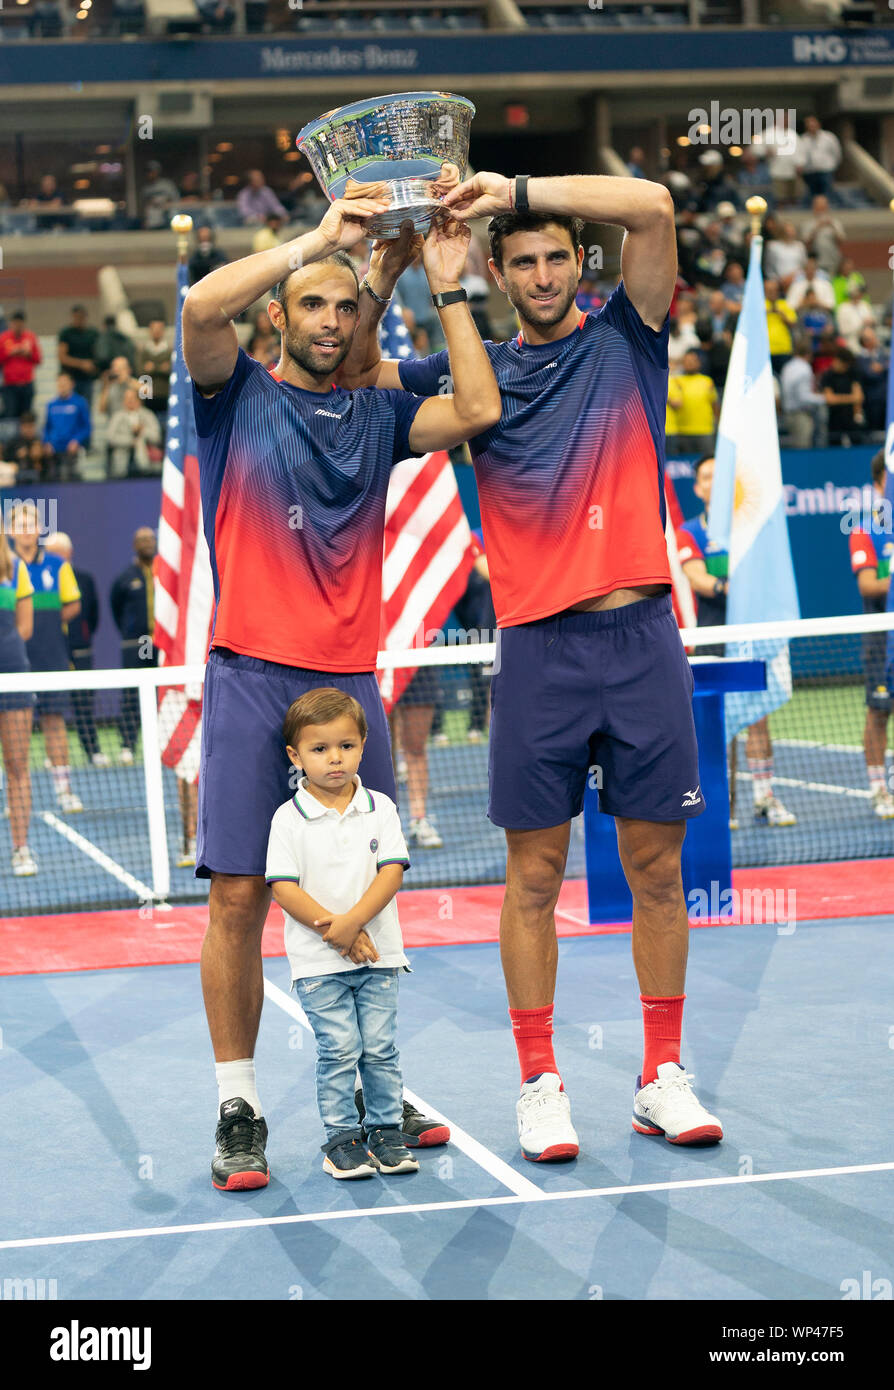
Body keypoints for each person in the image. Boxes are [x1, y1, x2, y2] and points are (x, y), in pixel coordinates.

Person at [345, 169, 726, 1160]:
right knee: (534, 873)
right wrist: (394, 269)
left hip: (641, 635)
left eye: (559, 254)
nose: (547, 271)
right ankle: (539, 1082)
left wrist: (510, 189)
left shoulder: (628, 339)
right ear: (500, 275)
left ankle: (662, 1075)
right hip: (539, 646)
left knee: (656, 866)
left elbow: (653, 205)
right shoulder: (466, 366)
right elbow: (347, 378)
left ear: (577, 264)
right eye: (526, 259)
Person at [180, 171, 500, 1189]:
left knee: (364, 892)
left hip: (349, 690)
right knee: (238, 896)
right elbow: (196, 306)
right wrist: (318, 240)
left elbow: (481, 407)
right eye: (309, 303)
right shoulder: (235, 395)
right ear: (280, 313)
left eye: (343, 305)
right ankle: (239, 1103)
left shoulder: (377, 417)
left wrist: (437, 284)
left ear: (363, 316)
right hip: (248, 680)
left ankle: (369, 1085)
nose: (327, 318)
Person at [265, 688, 420, 1181]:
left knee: (380, 1050)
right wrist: (339, 934)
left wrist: (352, 924)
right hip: (319, 965)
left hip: (381, 959)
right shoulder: (287, 820)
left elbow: (391, 872)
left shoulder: (383, 809)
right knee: (339, 1052)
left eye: (347, 746)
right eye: (319, 749)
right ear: (295, 755)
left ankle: (386, 1132)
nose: (335, 758)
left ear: (363, 744)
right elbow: (284, 889)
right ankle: (342, 1139)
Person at [676, 455, 797, 830]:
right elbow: (696, 577)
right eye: (706, 477)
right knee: (717, 722)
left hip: (750, 634)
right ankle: (722, 804)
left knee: (758, 716)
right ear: (697, 488)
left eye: (719, 475)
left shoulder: (751, 529)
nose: (713, 482)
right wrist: (733, 587)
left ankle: (764, 798)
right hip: (715, 636)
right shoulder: (691, 531)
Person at [9, 500, 83, 815]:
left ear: (40, 529)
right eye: (20, 525)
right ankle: (12, 793)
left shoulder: (58, 565)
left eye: (31, 525)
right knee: (11, 729)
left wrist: (46, 622)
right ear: (10, 531)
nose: (27, 531)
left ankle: (63, 790)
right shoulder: (5, 566)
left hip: (51, 657)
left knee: (54, 722)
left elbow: (73, 605)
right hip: (12, 660)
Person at [848, 451, 894, 819]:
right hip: (882, 638)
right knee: (879, 713)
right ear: (880, 483)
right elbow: (868, 586)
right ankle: (880, 789)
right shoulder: (864, 530)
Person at [45, 531, 104, 768]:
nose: (54, 557)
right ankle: (52, 756)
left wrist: (82, 638)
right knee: (50, 707)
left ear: (69, 553)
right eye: (50, 553)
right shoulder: (41, 579)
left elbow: (93, 614)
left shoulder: (85, 578)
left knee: (83, 703)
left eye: (58, 552)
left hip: (80, 651)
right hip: (51, 650)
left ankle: (93, 751)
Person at [0, 514, 37, 876]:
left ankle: (21, 848)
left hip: (12, 677)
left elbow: (24, 629)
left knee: (17, 767)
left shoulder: (16, 570)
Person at [110, 528, 158, 765]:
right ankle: (127, 745)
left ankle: (162, 745)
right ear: (134, 545)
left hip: (160, 644)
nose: (147, 543)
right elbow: (115, 607)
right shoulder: (125, 577)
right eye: (142, 540)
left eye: (150, 539)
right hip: (135, 644)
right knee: (131, 697)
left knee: (163, 695)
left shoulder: (165, 573)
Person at [666, 348, 718, 455]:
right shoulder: (676, 380)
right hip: (682, 431)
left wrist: (717, 424)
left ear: (699, 363)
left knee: (706, 460)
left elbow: (715, 405)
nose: (689, 364)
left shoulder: (707, 381)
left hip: (704, 430)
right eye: (686, 361)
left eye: (692, 361)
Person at [779, 339, 828, 448]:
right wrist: (824, 398)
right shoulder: (804, 368)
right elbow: (803, 397)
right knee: (803, 448)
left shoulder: (788, 366)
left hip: (789, 413)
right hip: (800, 415)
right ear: (809, 354)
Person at [43, 373, 91, 481]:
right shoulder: (51, 405)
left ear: (71, 384)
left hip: (72, 449)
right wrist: (47, 442)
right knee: (53, 480)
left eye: (65, 383)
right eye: (60, 384)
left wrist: (76, 440)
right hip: (55, 450)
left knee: (72, 479)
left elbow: (87, 427)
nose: (62, 386)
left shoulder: (79, 403)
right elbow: (47, 427)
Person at [107, 387, 162, 477]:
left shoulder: (148, 415)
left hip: (148, 460)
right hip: (122, 461)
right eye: (127, 399)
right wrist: (130, 441)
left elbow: (156, 436)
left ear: (138, 400)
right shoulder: (117, 416)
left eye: (132, 398)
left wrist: (143, 431)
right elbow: (111, 437)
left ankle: (144, 468)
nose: (130, 401)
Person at [0, 311, 42, 420]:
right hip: (10, 385)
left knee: (26, 415)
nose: (17, 327)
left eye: (20, 324)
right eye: (15, 324)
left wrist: (28, 354)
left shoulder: (30, 337)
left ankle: (25, 436)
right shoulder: (4, 338)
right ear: (11, 324)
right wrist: (10, 353)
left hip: (26, 383)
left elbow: (38, 359)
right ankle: (11, 437)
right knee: (11, 414)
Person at [820, 346, 865, 444]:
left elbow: (858, 397)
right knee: (834, 445)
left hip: (851, 418)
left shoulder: (853, 373)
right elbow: (830, 399)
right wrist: (851, 398)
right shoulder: (828, 376)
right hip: (834, 419)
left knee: (858, 443)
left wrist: (838, 398)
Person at [57, 305, 99, 407]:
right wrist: (81, 364)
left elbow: (97, 353)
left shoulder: (92, 333)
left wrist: (93, 366)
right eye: (76, 317)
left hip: (87, 378)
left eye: (81, 317)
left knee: (86, 407)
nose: (79, 320)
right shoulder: (66, 333)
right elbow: (62, 357)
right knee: (70, 407)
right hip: (70, 378)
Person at [796, 115, 842, 205]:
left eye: (813, 124)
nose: (811, 127)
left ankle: (827, 212)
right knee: (813, 195)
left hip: (825, 170)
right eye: (809, 125)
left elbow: (836, 152)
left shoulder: (829, 137)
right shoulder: (803, 139)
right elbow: (800, 154)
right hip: (810, 171)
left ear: (818, 124)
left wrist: (833, 165)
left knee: (827, 193)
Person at [855, 327, 889, 434]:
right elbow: (869, 374)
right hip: (872, 400)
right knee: (874, 430)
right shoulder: (860, 358)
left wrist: (882, 367)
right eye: (872, 338)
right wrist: (884, 367)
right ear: (865, 342)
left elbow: (890, 368)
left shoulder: (883, 354)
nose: (875, 340)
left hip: (886, 398)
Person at [801, 194, 844, 278]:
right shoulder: (807, 224)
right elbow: (806, 243)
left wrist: (832, 227)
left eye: (823, 207)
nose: (821, 210)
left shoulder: (835, 222)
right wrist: (816, 228)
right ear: (814, 208)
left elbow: (841, 241)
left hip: (833, 261)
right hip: (816, 263)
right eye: (819, 207)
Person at [3, 411, 52, 483]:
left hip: (38, 482)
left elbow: (47, 468)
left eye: (31, 427)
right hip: (16, 480)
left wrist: (41, 458)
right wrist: (16, 456)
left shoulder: (39, 442)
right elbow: (5, 460)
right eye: (26, 427)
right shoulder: (13, 443)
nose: (28, 430)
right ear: (21, 427)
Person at [764, 278, 797, 375]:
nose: (772, 293)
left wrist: (781, 314)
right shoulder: (760, 305)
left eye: (775, 290)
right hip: (765, 350)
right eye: (769, 291)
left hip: (784, 349)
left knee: (784, 377)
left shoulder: (784, 304)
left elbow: (793, 323)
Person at [836, 279, 876, 354]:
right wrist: (861, 325)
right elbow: (843, 330)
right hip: (851, 342)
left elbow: (872, 321)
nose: (860, 294)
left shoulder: (865, 305)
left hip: (867, 340)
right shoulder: (843, 308)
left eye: (861, 292)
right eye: (858, 292)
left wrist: (872, 322)